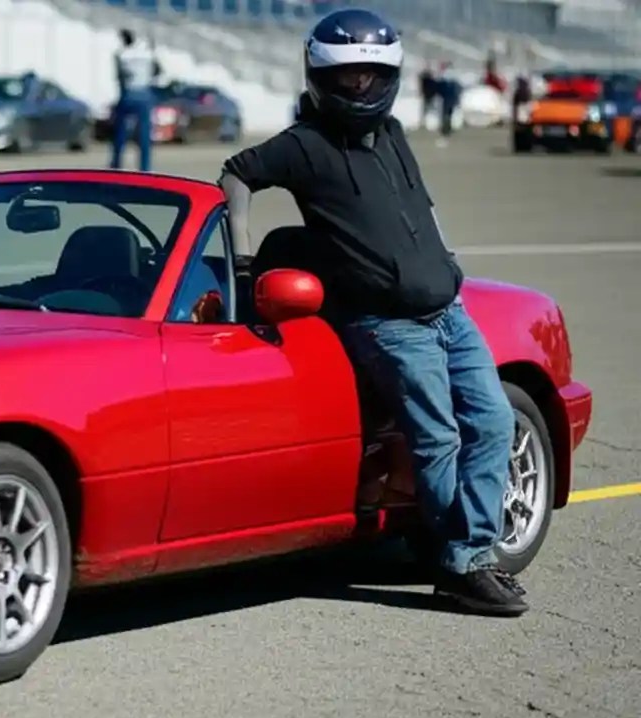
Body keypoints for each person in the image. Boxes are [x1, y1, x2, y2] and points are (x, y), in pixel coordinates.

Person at [218, 8, 527, 617]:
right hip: (384, 323)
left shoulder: (393, 135)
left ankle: (465, 550)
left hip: (447, 309)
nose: (361, 87)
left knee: (492, 423)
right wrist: (246, 263)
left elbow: (423, 202)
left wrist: (447, 257)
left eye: (371, 75)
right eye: (348, 76)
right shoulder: (303, 146)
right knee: (437, 436)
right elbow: (236, 175)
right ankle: (464, 563)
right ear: (320, 76)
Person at [109, 29, 161, 172]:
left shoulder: (121, 54)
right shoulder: (147, 54)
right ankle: (145, 167)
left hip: (128, 93)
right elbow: (157, 71)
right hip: (144, 93)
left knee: (120, 131)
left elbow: (119, 75)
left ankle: (116, 164)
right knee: (144, 133)